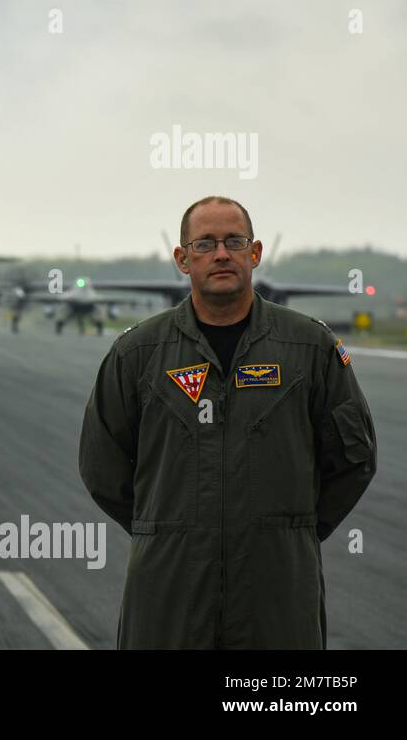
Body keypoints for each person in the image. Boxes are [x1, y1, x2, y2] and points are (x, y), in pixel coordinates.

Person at [79, 196, 376, 648]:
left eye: (234, 242)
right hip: (167, 588)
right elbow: (102, 465)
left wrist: (292, 532)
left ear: (254, 253)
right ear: (182, 259)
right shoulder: (137, 354)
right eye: (204, 243)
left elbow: (354, 458)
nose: (221, 254)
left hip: (278, 592)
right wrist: (164, 529)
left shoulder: (312, 348)